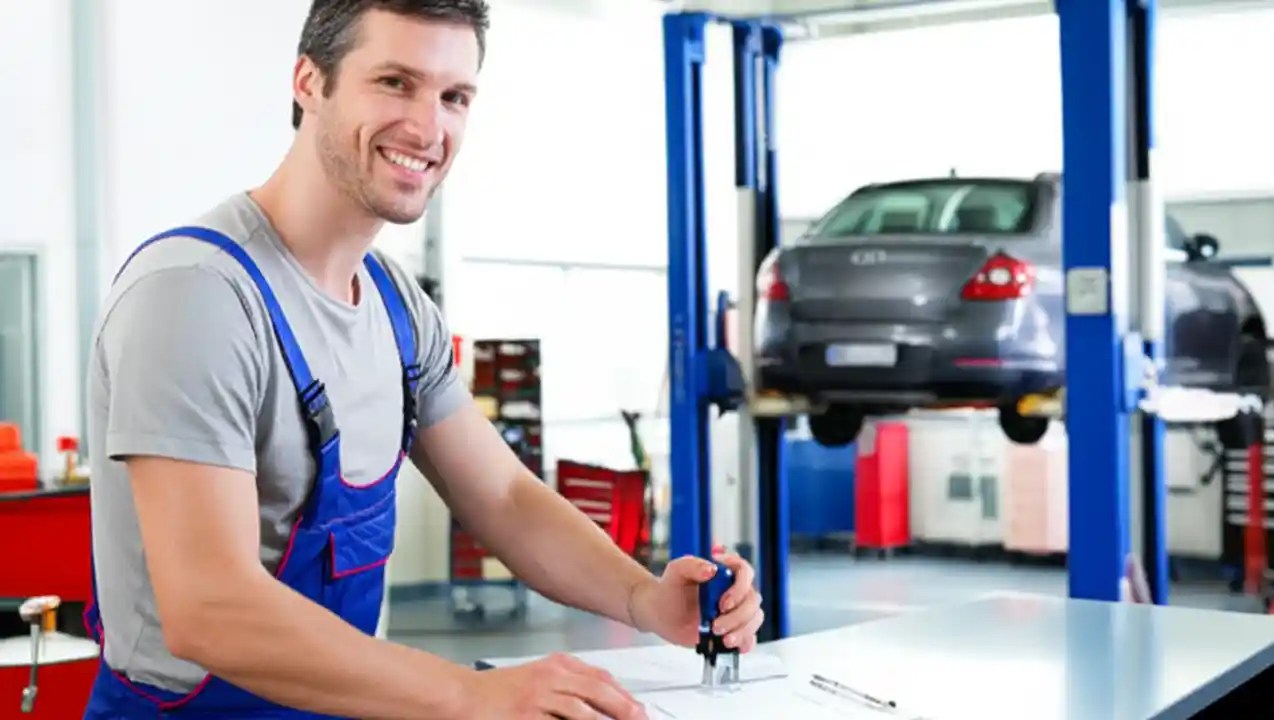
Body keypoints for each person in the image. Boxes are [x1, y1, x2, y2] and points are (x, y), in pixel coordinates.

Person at [80, 1, 764, 717]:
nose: (427, 126)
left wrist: (644, 598)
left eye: (453, 96)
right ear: (309, 82)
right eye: (395, 82)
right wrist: (468, 695)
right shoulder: (196, 296)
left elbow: (504, 497)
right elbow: (208, 607)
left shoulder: (397, 307)